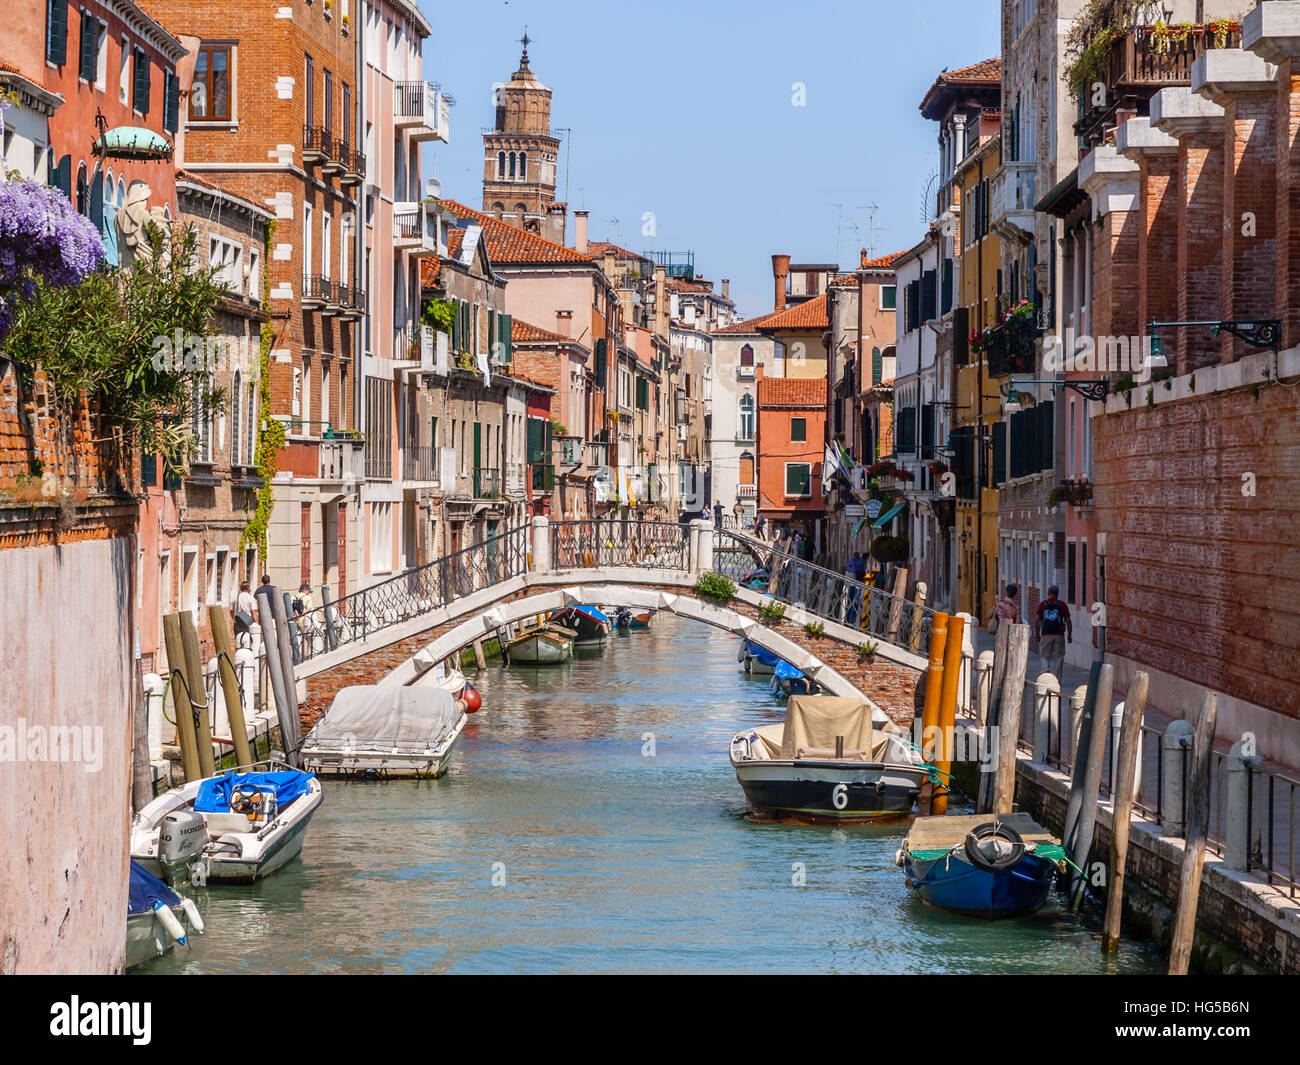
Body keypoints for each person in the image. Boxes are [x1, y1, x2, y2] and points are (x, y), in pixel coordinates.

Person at [1035, 584, 1072, 680]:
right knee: (1058, 657)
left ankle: (1045, 673)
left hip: (1046, 635)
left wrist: (1037, 633)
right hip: (1059, 635)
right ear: (1058, 594)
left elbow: (1036, 620)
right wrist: (1069, 635)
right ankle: (1056, 679)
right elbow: (1068, 621)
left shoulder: (1042, 604)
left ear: (1048, 593)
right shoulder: (1062, 605)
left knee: (1044, 655)